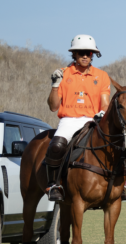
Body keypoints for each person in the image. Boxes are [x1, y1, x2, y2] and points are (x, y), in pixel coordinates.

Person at [44, 34, 111, 201]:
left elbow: (105, 103)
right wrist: (55, 85)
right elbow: (53, 106)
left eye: (88, 53)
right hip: (69, 119)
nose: (85, 56)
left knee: (115, 144)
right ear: (73, 54)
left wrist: (103, 113)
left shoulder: (101, 76)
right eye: (81, 53)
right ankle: (53, 184)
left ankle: (119, 184)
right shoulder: (63, 73)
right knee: (56, 146)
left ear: (93, 54)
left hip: (92, 120)